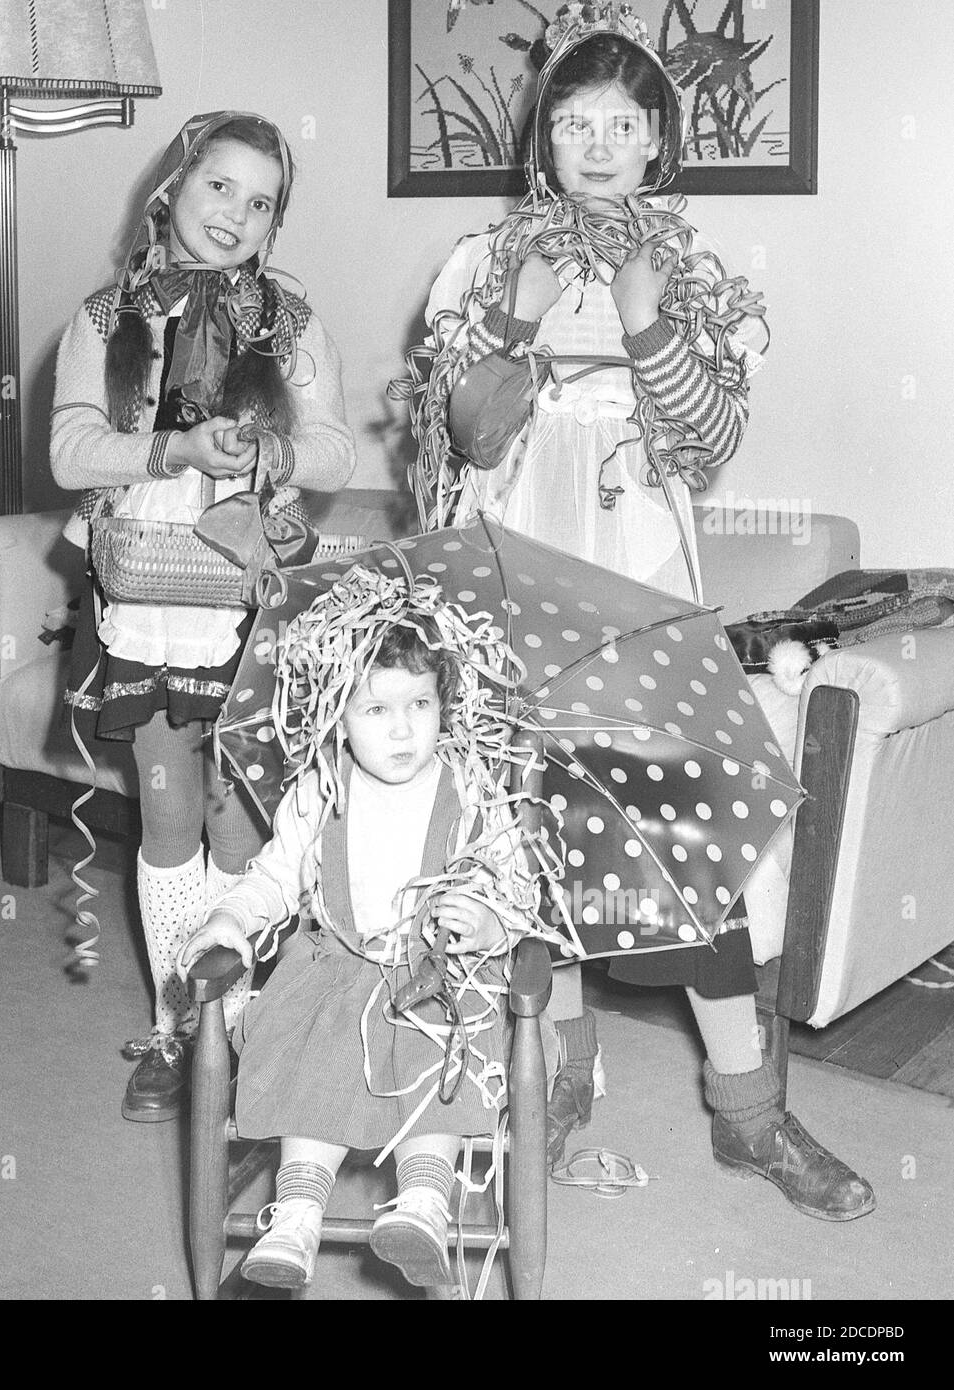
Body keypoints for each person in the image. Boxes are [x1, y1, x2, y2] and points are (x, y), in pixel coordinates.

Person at [410, 5, 873, 1220]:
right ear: (543, 137)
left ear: (659, 137)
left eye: (623, 123)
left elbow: (710, 442)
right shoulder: (481, 257)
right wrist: (515, 312)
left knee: (686, 852)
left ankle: (748, 1116)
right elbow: (462, 436)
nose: (599, 144)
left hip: (644, 599)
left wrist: (640, 312)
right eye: (574, 123)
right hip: (516, 590)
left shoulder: (694, 268)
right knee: (531, 849)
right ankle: (556, 1095)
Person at [51, 111, 355, 1123]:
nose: (234, 213)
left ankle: (239, 1030)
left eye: (259, 200)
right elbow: (68, 452)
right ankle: (177, 1026)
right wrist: (172, 454)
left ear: (273, 226)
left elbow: (335, 454)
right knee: (167, 814)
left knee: (237, 820)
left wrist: (266, 454)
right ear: (174, 187)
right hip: (144, 595)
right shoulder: (101, 319)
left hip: (247, 601)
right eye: (219, 186)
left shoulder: (294, 322)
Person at [178, 571, 549, 1291]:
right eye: (376, 708)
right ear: (333, 716)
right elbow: (274, 877)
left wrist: (487, 923)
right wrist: (229, 917)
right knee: (313, 1061)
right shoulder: (321, 788)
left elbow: (519, 894)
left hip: (439, 980)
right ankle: (295, 1216)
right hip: (335, 969)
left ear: (447, 704)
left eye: (420, 704)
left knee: (439, 1062)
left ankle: (422, 1204)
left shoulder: (470, 789)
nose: (404, 728)